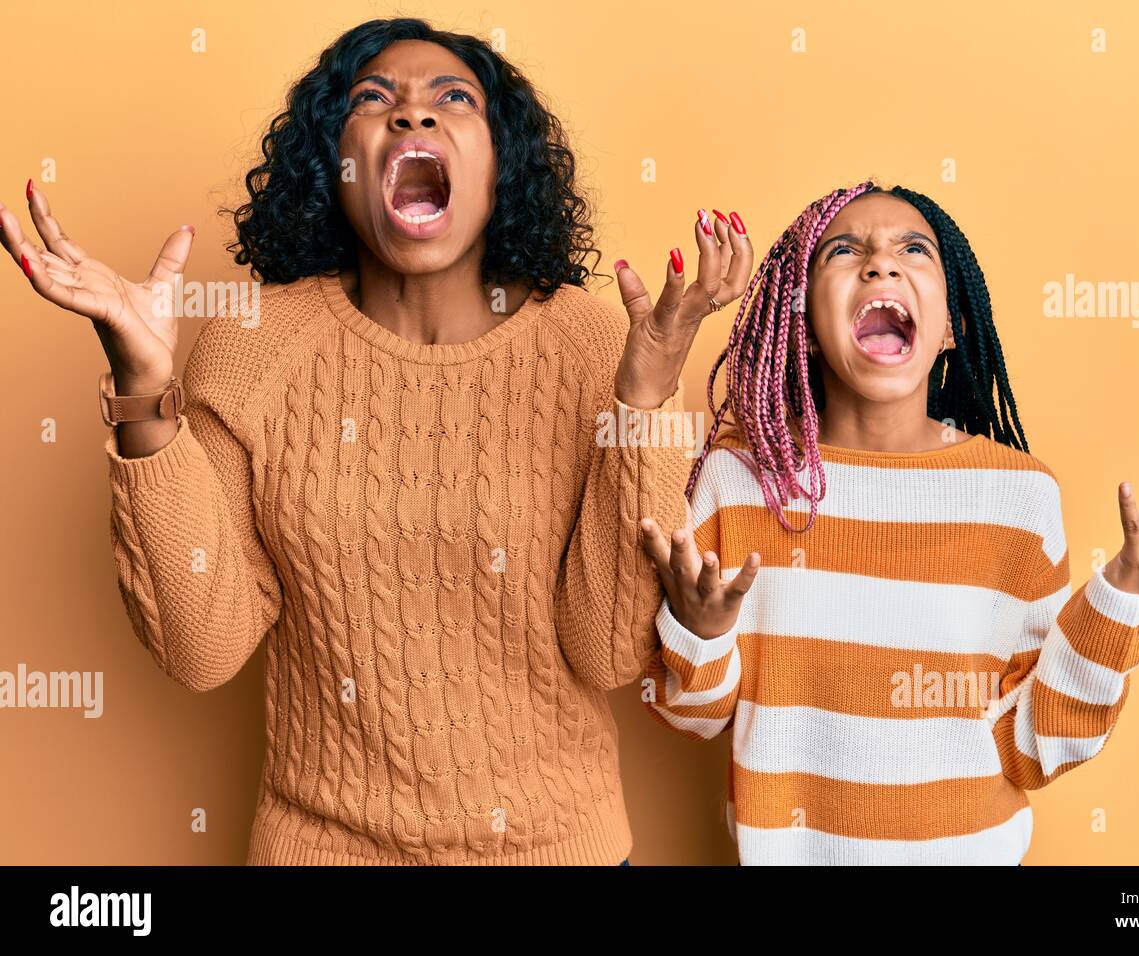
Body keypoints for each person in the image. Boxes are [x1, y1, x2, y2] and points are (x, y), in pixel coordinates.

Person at [1, 17, 753, 866]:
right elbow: (201, 648)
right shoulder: (255, 342)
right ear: (335, 162)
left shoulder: (591, 342)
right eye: (373, 100)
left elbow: (610, 650)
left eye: (452, 100)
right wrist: (141, 392)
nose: (412, 117)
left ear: (502, 162)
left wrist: (645, 395)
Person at [637, 178, 1139, 865]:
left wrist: (1125, 598)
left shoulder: (1016, 499)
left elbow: (1031, 743)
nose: (881, 263)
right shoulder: (740, 484)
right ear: (804, 325)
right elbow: (692, 715)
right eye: (843, 251)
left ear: (951, 325)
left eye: (914, 250)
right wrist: (701, 631)